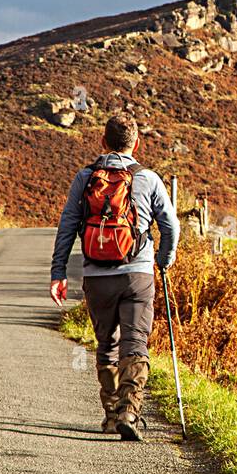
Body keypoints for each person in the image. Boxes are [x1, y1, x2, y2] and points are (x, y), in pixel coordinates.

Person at [49, 113, 179, 441]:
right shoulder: (148, 179)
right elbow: (170, 226)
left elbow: (67, 226)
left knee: (106, 344)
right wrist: (163, 260)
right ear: (136, 144)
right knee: (135, 342)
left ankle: (110, 414)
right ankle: (129, 410)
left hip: (96, 275)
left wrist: (59, 272)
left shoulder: (85, 178)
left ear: (102, 142)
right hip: (137, 274)